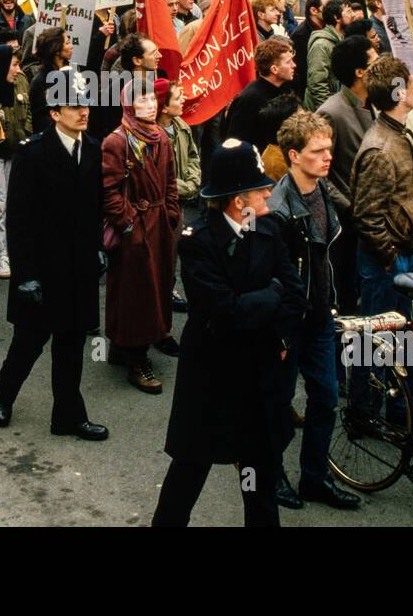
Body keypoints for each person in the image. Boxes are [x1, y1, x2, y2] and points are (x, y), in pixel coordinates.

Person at [151, 139, 306, 527]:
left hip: (257, 377)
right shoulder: (199, 243)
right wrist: (269, 295)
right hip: (212, 378)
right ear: (238, 200)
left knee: (259, 482)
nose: (270, 190)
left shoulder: (268, 227)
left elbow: (295, 295)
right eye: (260, 187)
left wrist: (278, 332)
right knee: (189, 471)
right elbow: (224, 310)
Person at [0, 67, 108, 441]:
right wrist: (25, 275)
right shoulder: (34, 153)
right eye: (73, 106)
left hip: (78, 269)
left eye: (85, 104)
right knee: (28, 343)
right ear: (55, 113)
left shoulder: (93, 148)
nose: (83, 112)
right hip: (42, 268)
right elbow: (18, 219)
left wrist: (99, 249)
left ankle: (68, 416)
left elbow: (95, 209)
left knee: (71, 346)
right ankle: (2, 397)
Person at [267, 111, 361, 512]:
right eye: (317, 151)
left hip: (321, 318)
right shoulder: (277, 210)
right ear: (293, 155)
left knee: (325, 398)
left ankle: (315, 478)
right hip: (289, 326)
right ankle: (270, 476)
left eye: (329, 149)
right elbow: (272, 279)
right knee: (278, 404)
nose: (327, 157)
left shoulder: (325, 193)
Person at [348, 56, 413, 420]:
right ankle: (364, 412)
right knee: (375, 339)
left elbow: (402, 187)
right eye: (409, 82)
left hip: (395, 256)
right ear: (397, 92)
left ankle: (400, 414)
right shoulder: (380, 148)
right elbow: (366, 214)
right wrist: (389, 256)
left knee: (400, 337)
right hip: (386, 260)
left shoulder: (397, 134)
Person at [102, 77, 181, 392]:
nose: (149, 106)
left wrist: (171, 213)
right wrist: (129, 224)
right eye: (141, 100)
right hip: (136, 227)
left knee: (157, 287)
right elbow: (109, 192)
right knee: (134, 293)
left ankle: (129, 348)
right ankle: (135, 357)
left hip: (159, 223)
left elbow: (171, 179)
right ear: (128, 104)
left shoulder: (161, 136)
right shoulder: (117, 141)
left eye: (152, 100)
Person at [316, 35, 378, 314]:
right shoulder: (331, 112)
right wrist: (347, 205)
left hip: (372, 216)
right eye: (375, 61)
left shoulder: (376, 103)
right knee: (348, 291)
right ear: (359, 72)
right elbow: (319, 172)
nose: (382, 66)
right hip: (348, 221)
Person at [0, 44, 31, 281]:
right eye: (13, 64)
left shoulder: (21, 81)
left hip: (16, 150)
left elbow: (28, 111)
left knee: (12, 203)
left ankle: (5, 246)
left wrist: (27, 137)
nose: (17, 69)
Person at [226, 39, 298, 154]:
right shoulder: (249, 99)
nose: (294, 65)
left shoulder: (286, 88)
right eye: (288, 62)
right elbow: (236, 142)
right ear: (274, 69)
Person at [304, 0, 351, 110]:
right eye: (348, 11)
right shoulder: (321, 44)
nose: (353, 15)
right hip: (324, 111)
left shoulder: (343, 39)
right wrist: (329, 112)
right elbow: (317, 83)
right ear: (336, 17)